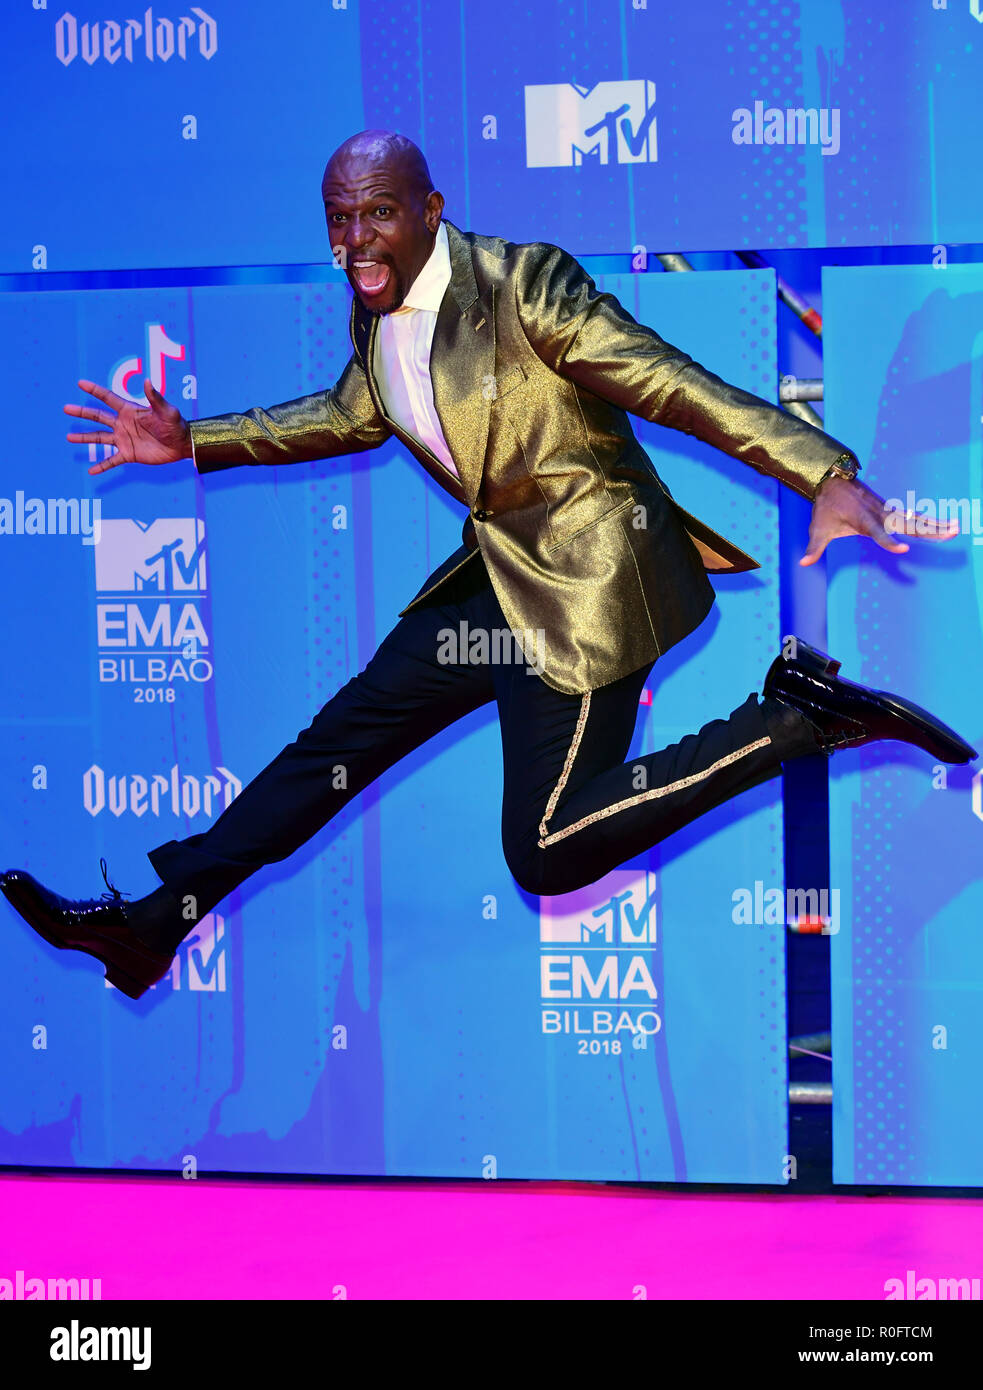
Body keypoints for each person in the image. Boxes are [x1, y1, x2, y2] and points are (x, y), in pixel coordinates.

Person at [2, 130, 974, 1000]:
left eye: (379, 212)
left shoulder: (523, 285)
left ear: (431, 210)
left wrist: (820, 470)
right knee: (331, 751)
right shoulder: (375, 312)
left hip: (592, 584)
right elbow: (350, 411)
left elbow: (667, 382)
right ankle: (152, 925)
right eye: (340, 219)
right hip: (496, 579)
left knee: (546, 851)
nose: (357, 238)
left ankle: (795, 719)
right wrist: (193, 441)